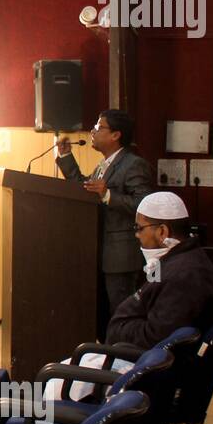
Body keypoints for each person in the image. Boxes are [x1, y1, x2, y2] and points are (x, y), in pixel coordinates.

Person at [56, 109, 154, 332]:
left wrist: (108, 195)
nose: (93, 131)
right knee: (105, 314)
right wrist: (65, 157)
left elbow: (144, 205)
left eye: (99, 127)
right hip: (102, 252)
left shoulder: (133, 164)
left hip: (122, 255)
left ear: (115, 135)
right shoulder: (105, 164)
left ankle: (123, 359)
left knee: (121, 314)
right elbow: (85, 189)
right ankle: (109, 355)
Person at [106, 192, 213, 350]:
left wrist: (121, 328)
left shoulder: (184, 275)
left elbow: (155, 339)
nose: (137, 235)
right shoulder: (172, 260)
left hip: (143, 362)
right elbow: (145, 297)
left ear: (162, 232)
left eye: (139, 228)